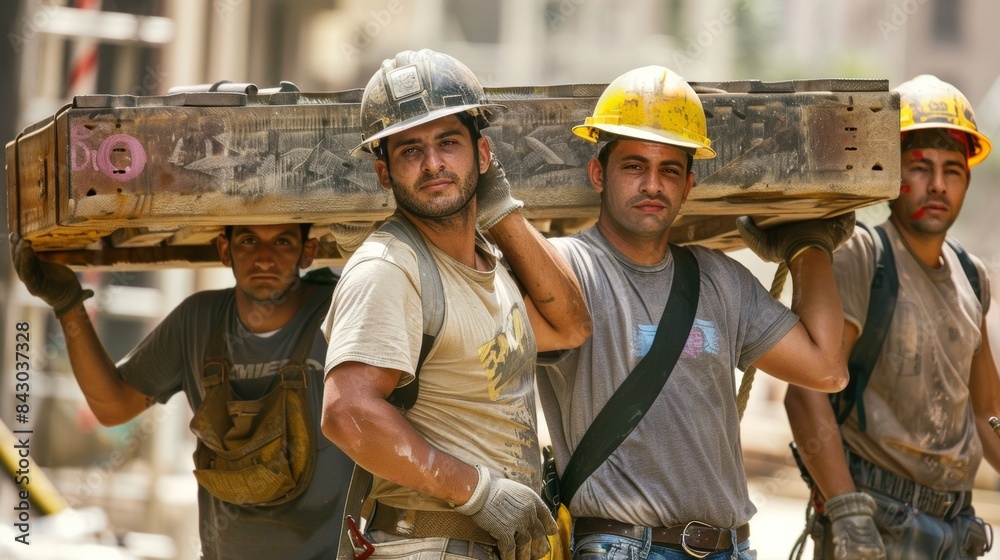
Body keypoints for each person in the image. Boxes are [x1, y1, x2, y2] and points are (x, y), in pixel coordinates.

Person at [533, 65, 855, 560]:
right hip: (623, 546)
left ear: (688, 186)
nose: (652, 185)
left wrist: (808, 246)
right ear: (598, 173)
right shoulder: (565, 269)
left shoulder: (720, 280)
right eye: (634, 166)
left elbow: (827, 368)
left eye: (669, 171)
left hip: (730, 549)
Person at [320, 49, 592, 560]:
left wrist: (503, 213)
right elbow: (347, 413)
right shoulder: (390, 269)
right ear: (385, 173)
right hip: (430, 543)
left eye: (449, 143)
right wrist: (477, 491)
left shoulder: (489, 267)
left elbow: (572, 325)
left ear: (482, 155)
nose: (433, 164)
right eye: (409, 151)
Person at [9, 223, 355, 560]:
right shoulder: (197, 321)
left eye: (282, 242)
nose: (264, 258)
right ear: (225, 249)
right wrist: (68, 304)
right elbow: (113, 407)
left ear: (307, 251)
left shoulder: (340, 316)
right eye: (249, 240)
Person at [785, 75, 1000, 559]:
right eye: (920, 168)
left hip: (955, 528)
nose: (939, 185)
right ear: (889, 173)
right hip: (877, 519)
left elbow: (990, 413)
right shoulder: (863, 255)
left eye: (953, 170)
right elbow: (804, 396)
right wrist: (845, 509)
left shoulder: (973, 276)